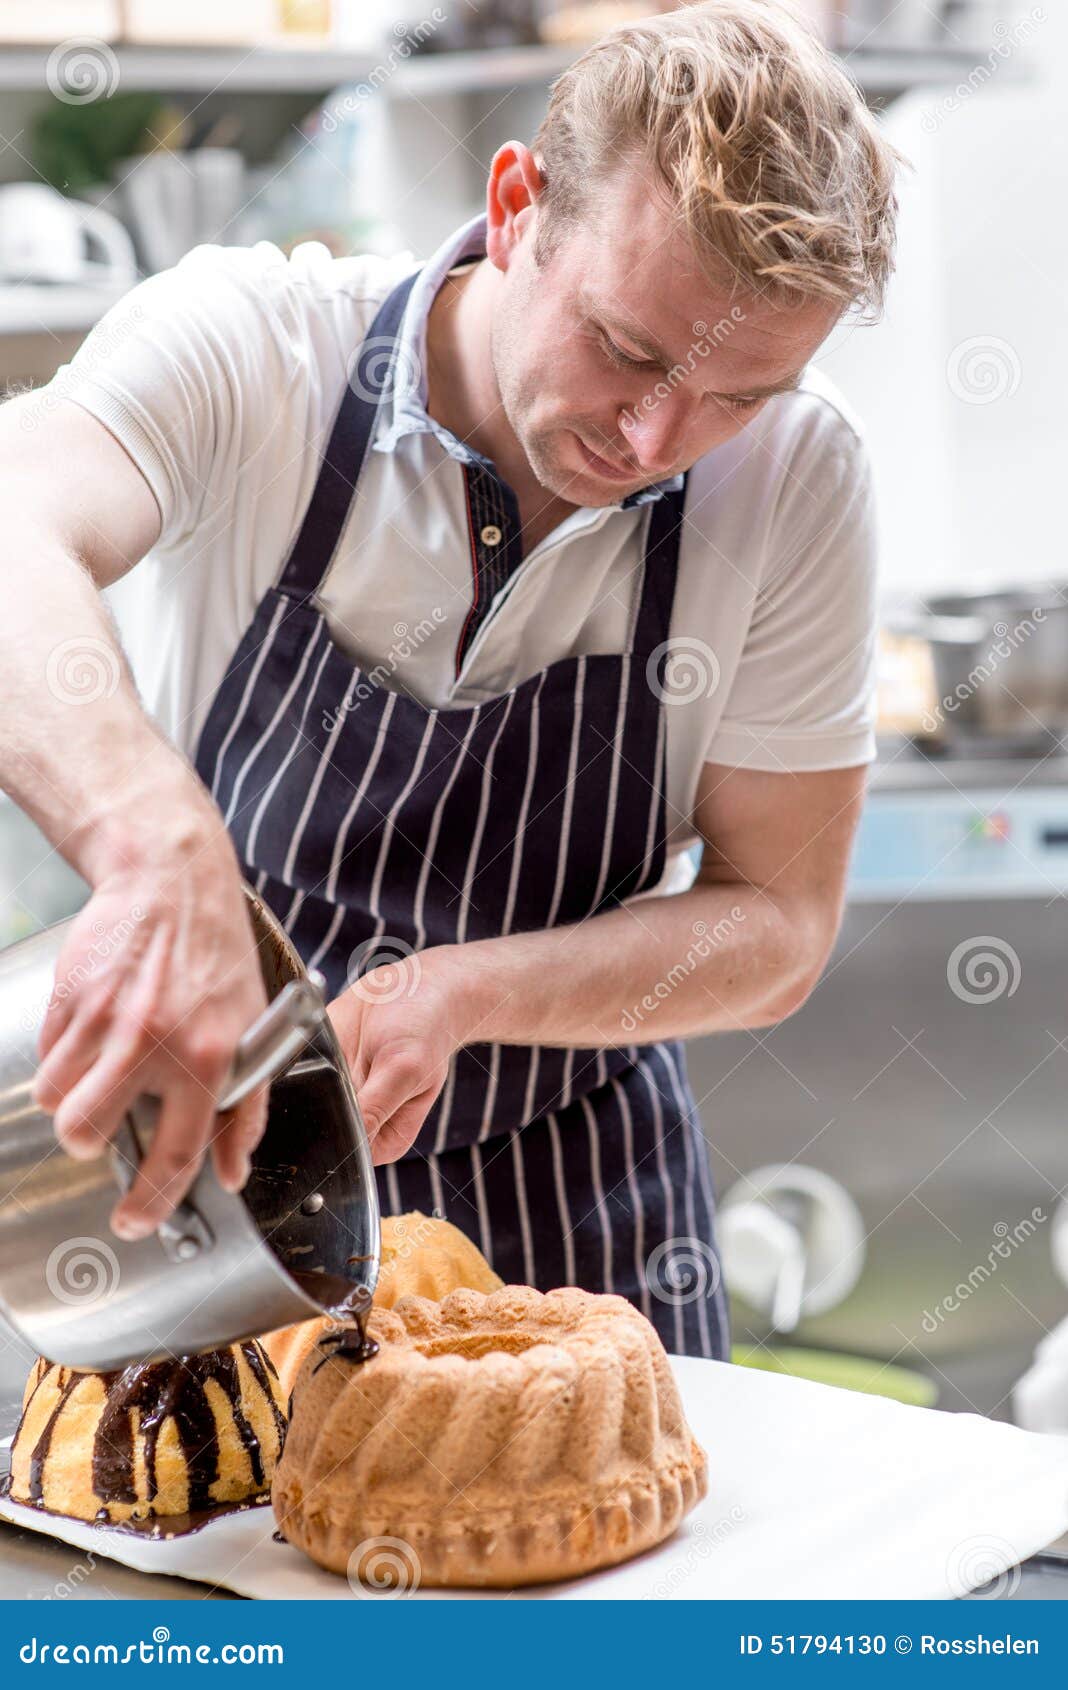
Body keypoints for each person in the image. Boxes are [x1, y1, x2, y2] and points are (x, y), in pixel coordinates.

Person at [0, 1, 899, 1356]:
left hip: (590, 1243)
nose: (659, 436)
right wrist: (157, 846)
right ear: (518, 203)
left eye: (738, 396)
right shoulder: (259, 349)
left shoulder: (800, 481)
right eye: (629, 349)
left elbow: (776, 918)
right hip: (225, 1208)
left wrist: (462, 994)